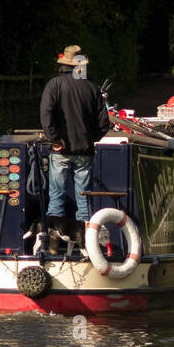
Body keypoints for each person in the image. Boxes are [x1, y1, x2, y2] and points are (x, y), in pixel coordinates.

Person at [40, 44, 110, 240]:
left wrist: (54, 139)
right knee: (84, 198)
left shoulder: (53, 85)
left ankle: (53, 238)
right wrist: (91, 138)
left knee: (56, 196)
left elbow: (46, 115)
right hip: (85, 152)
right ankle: (86, 241)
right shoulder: (92, 87)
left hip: (61, 149)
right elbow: (104, 123)